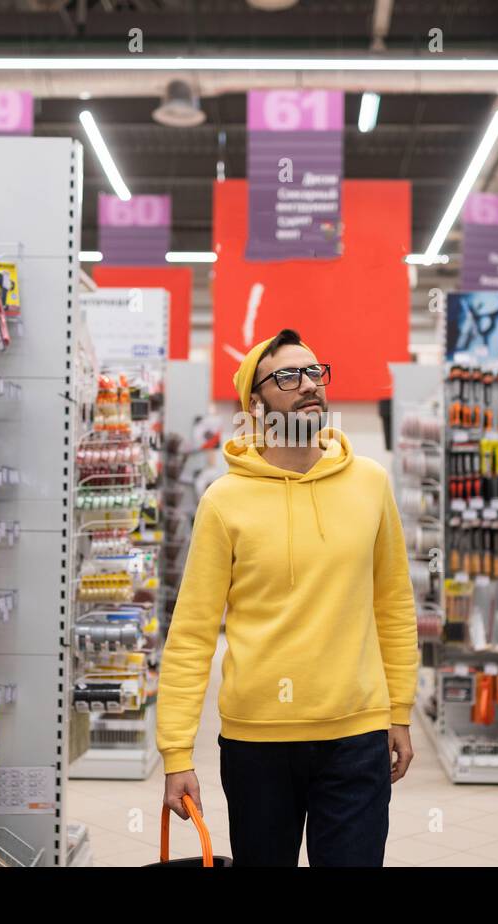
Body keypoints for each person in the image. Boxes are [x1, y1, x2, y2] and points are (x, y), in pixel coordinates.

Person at [156, 328, 419, 867]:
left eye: (316, 372)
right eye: (288, 376)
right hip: (258, 742)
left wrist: (400, 711)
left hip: (356, 734)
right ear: (255, 401)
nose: (309, 385)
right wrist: (176, 751)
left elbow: (393, 605)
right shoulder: (224, 501)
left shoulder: (370, 483)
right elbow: (192, 633)